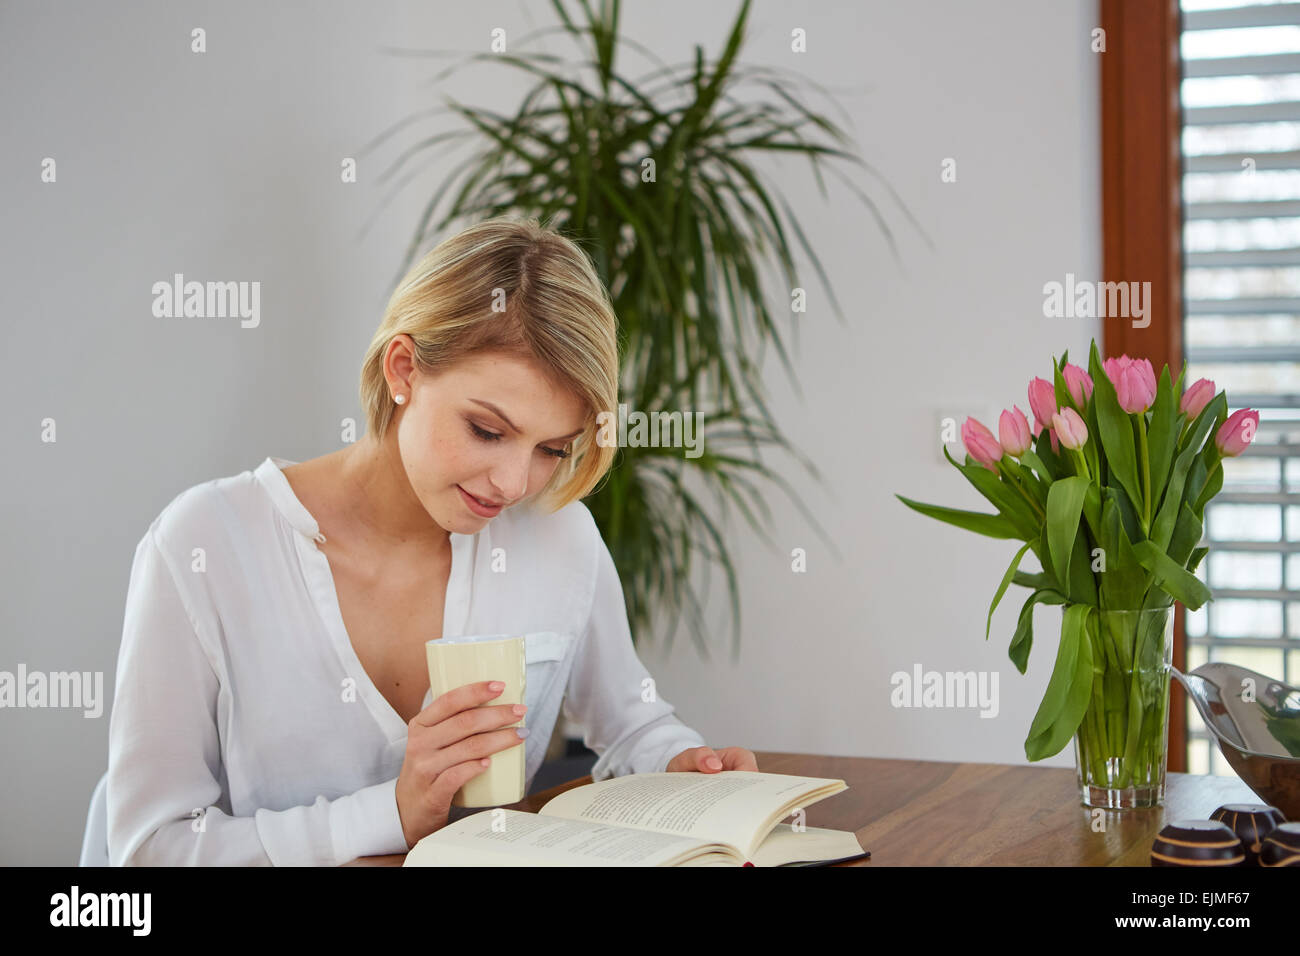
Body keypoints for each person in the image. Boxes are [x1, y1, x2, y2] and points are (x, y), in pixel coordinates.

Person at [106, 217, 757, 866]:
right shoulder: (204, 547)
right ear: (403, 369)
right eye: (486, 430)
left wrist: (684, 763)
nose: (512, 483)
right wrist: (391, 813)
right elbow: (149, 846)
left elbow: (631, 724)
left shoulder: (557, 538)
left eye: (552, 449)